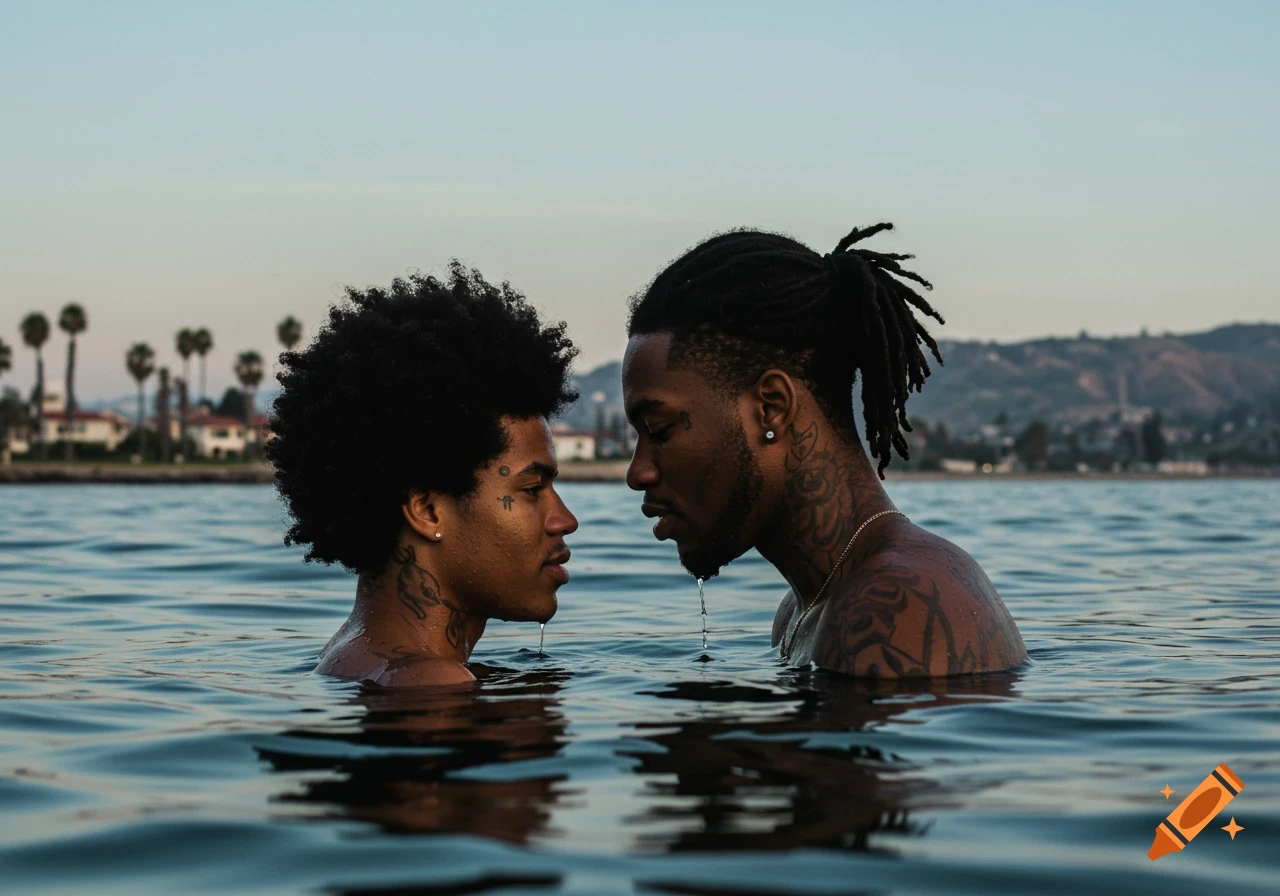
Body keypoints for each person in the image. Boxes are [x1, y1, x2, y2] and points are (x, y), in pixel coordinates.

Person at [622, 223, 1026, 679]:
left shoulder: (888, 611)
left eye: (659, 429)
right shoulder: (799, 614)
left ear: (771, 408)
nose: (638, 473)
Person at [267, 263, 579, 687]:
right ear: (428, 510)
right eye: (531, 488)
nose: (564, 519)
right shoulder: (430, 683)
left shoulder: (352, 658)